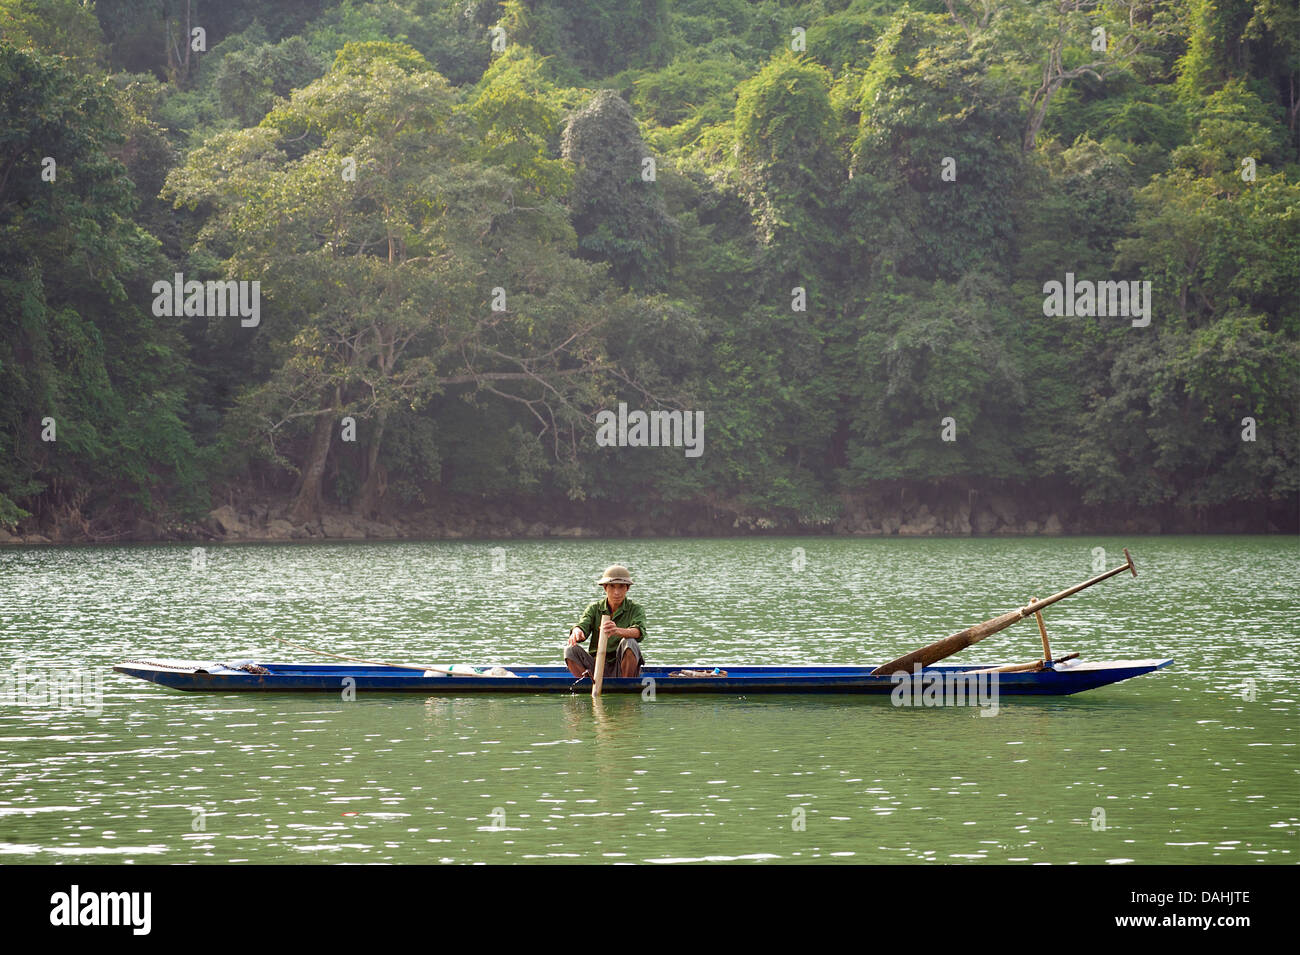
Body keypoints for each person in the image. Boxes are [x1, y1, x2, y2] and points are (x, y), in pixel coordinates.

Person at [564, 564, 645, 679]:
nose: (616, 592)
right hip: (596, 667)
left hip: (621, 667)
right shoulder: (594, 608)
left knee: (630, 642)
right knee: (570, 649)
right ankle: (587, 684)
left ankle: (626, 686)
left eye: (621, 587)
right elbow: (583, 624)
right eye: (612, 587)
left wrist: (617, 631)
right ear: (605, 588)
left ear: (627, 588)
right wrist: (577, 631)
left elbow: (639, 631)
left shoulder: (635, 609)